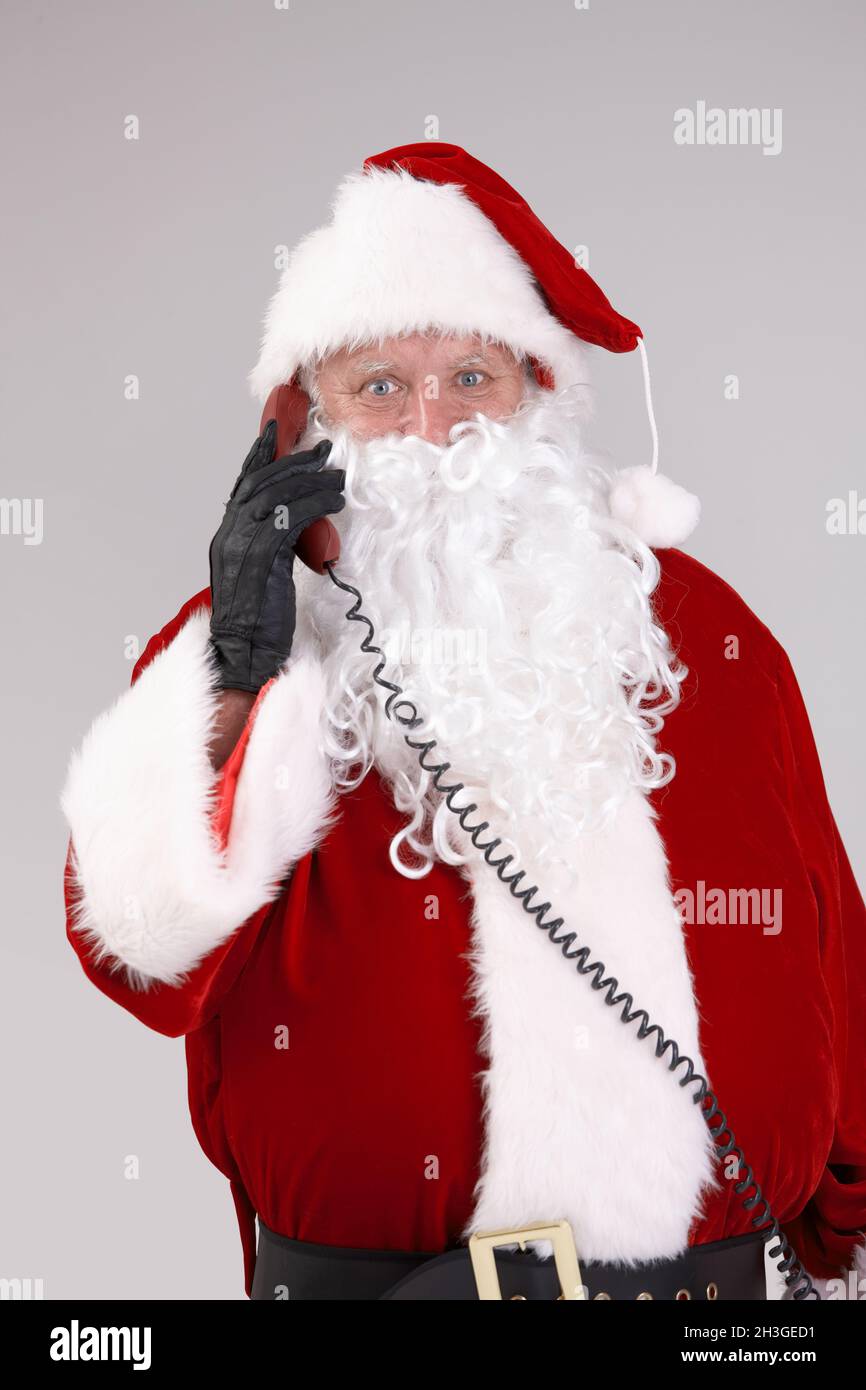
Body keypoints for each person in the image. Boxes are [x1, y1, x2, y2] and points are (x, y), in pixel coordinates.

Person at [60, 142, 866, 1301]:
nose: (431, 429)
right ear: (301, 425)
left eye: (472, 379)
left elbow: (830, 936)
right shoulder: (244, 643)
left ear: (539, 396)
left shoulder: (697, 629)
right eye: (379, 388)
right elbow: (140, 958)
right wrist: (238, 665)